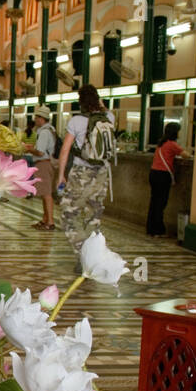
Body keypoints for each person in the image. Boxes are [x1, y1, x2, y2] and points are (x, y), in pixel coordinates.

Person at [55, 84, 116, 262]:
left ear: (80, 101)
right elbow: (104, 109)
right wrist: (100, 104)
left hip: (81, 173)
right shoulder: (109, 117)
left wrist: (61, 175)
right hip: (102, 173)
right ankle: (93, 257)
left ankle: (83, 254)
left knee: (68, 214)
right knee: (93, 216)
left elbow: (65, 150)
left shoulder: (76, 121)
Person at [147, 121, 185, 238]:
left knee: (154, 202)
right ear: (175, 132)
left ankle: (151, 228)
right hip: (163, 176)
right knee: (161, 203)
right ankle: (158, 230)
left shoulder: (161, 143)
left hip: (153, 173)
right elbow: (186, 154)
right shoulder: (172, 144)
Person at [24, 103, 58, 230]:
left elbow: (40, 152)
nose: (35, 120)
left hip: (43, 163)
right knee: (44, 192)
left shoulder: (44, 132)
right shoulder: (50, 130)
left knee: (46, 193)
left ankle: (50, 221)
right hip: (46, 163)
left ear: (41, 118)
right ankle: (45, 219)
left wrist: (29, 149)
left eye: (36, 117)